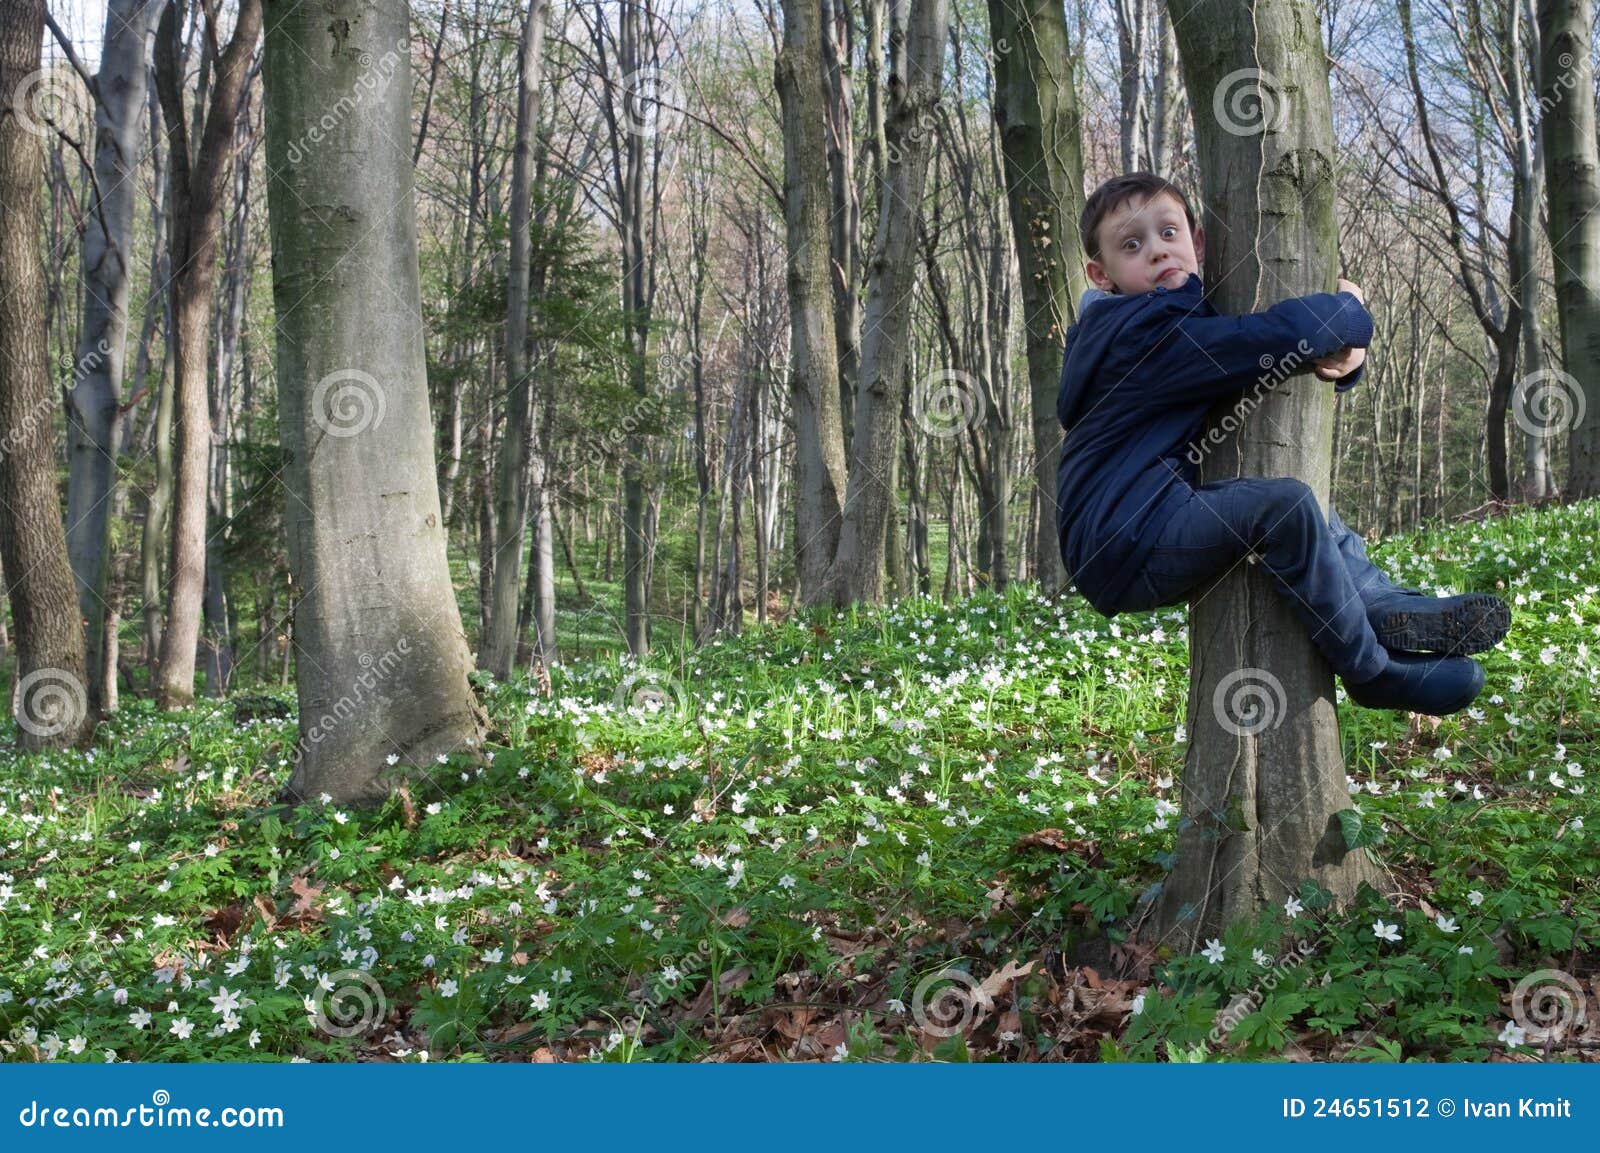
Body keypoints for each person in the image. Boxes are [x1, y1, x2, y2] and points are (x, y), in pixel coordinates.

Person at [1055, 172, 1509, 715]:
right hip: (1124, 542)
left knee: (1310, 507)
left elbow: (1247, 361)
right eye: (1132, 245)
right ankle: (1371, 672)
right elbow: (1265, 339)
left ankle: (1387, 607)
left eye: (1168, 232)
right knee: (1286, 505)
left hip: (1144, 520)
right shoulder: (1139, 335)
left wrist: (1345, 363)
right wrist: (1349, 312)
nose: (1155, 251)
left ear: (1197, 243)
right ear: (1101, 276)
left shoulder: (1157, 323)